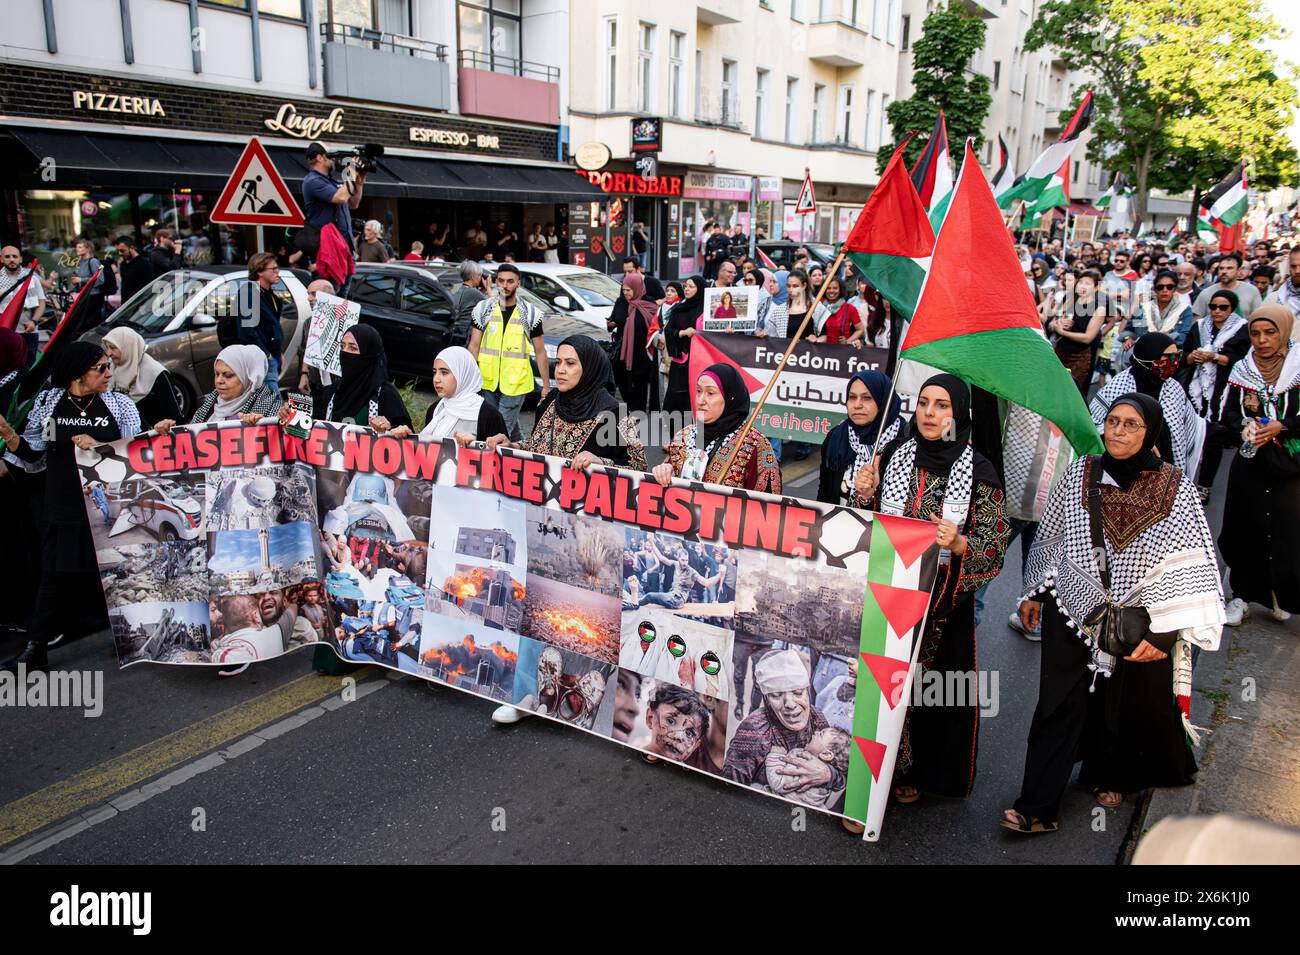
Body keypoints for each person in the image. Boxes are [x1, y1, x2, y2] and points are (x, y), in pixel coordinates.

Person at [1003, 393, 1223, 834]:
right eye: (1113, 422)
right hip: (1074, 605)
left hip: (1139, 620)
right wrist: (1033, 593)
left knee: (1119, 704)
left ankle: (1109, 773)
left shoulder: (1175, 487)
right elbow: (1053, 535)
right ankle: (1037, 806)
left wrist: (1162, 636)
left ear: (1151, 434)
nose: (1118, 432)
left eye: (1131, 425)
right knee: (1057, 704)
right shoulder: (1081, 471)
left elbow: (1192, 563)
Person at [854, 374, 1010, 803]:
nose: (929, 413)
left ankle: (917, 771)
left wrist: (959, 543)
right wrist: (864, 495)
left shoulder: (979, 471)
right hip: (888, 596)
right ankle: (868, 775)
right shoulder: (893, 458)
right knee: (879, 682)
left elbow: (994, 547)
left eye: (942, 406)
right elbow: (864, 530)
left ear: (957, 415)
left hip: (944, 606)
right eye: (924, 403)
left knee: (930, 692)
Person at [486, 335, 645, 726]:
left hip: (590, 536)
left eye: (571, 363)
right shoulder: (550, 403)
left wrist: (603, 460)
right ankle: (528, 693)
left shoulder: (614, 412)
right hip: (544, 524)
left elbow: (639, 471)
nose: (560, 370)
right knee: (536, 605)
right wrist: (511, 444)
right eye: (558, 362)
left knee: (588, 616)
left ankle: (579, 699)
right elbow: (538, 448)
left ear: (589, 368)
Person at [0, 343, 142, 672]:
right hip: (63, 505)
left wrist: (101, 448)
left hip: (108, 507)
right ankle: (35, 650)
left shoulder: (118, 405)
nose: (109, 374)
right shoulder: (49, 404)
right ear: (79, 373)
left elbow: (136, 452)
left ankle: (133, 636)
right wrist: (9, 434)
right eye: (101, 368)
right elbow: (34, 454)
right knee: (51, 575)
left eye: (109, 366)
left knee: (120, 572)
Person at [1218, 303, 1300, 626]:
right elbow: (1227, 413)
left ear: (1284, 332)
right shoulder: (1242, 370)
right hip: (1252, 461)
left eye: (1270, 332)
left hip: (1289, 464)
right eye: (1255, 333)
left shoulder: (1298, 366)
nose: (1262, 340)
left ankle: (1281, 593)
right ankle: (1242, 596)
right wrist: (1245, 428)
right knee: (1246, 527)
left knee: (1287, 529)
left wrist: (1283, 426)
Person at [655, 364, 781, 493]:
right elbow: (668, 476)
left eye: (710, 393)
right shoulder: (683, 436)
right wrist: (665, 471)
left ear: (730, 397)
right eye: (698, 391)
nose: (701, 400)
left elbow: (768, 505)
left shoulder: (754, 445)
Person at [1090, 332, 1203, 473]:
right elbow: (1094, 425)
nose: (1175, 362)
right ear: (1150, 357)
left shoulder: (1173, 387)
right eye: (1170, 357)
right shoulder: (1118, 387)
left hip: (1164, 468)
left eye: (1177, 356)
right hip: (1125, 468)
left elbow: (1188, 427)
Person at [1179, 288, 1250, 500]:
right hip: (1195, 389)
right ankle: (1183, 483)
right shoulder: (1199, 327)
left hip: (1223, 391)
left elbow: (1243, 360)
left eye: (1223, 307)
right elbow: (1184, 356)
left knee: (1213, 438)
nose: (1217, 311)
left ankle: (1204, 486)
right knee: (1187, 436)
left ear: (1232, 308)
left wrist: (1216, 357)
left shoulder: (1241, 329)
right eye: (1213, 307)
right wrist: (1193, 357)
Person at [467, 263, 549, 441]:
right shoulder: (483, 309)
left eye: (510, 281)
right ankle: (521, 449)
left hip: (516, 383)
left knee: (496, 431)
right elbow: (474, 346)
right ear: (496, 282)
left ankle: (492, 466)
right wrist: (468, 380)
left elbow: (540, 351)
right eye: (501, 281)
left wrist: (546, 386)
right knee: (507, 429)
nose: (505, 285)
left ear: (518, 284)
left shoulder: (530, 313)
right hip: (487, 381)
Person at [817, 369, 902, 506]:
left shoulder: (904, 442)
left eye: (867, 398)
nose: (857, 405)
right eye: (852, 397)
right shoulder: (837, 437)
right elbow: (824, 495)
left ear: (884, 401)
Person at [317, 325, 411, 435]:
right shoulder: (333, 390)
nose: (345, 352)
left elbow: (407, 442)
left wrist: (389, 430)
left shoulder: (386, 395)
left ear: (369, 355)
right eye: (342, 346)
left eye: (352, 348)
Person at [418, 345, 506, 444]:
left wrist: (474, 445)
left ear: (462, 374)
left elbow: (500, 455)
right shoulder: (435, 409)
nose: (436, 379)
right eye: (434, 372)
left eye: (444, 372)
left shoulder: (489, 415)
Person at [101, 326, 181, 431]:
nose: (109, 353)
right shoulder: (111, 369)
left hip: (153, 440)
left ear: (127, 347)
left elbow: (174, 417)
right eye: (107, 348)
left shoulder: (156, 373)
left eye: (113, 348)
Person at [228, 252, 286, 393]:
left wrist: (278, 352)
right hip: (261, 359)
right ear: (260, 271)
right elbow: (247, 332)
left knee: (267, 404)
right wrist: (267, 355)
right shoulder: (249, 293)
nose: (277, 272)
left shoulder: (269, 295)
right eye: (273, 269)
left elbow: (271, 326)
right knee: (272, 403)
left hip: (272, 356)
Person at [302, 142, 366, 263]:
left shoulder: (330, 181)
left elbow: (353, 203)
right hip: (329, 250)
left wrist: (359, 182)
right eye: (330, 156)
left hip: (344, 248)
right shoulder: (313, 181)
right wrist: (350, 172)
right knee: (329, 283)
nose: (334, 159)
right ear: (319, 158)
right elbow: (341, 197)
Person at [189, 343, 283, 424]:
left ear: (248, 378)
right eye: (217, 374)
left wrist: (262, 425)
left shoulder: (272, 409)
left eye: (228, 375)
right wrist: (175, 433)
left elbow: (283, 439)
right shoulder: (209, 404)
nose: (219, 381)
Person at [610, 270, 660, 413]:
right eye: (623, 290)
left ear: (637, 288)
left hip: (641, 350)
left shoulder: (648, 303)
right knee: (622, 379)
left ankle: (639, 410)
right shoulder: (620, 302)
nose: (626, 293)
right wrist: (612, 323)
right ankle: (629, 405)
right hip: (623, 349)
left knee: (640, 382)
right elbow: (614, 317)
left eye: (629, 290)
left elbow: (655, 325)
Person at [1051, 270, 1106, 394]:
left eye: (1087, 283)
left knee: (1073, 392)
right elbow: (1054, 320)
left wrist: (1063, 332)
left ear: (1096, 287)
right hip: (1060, 351)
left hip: (1079, 356)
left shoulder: (1099, 308)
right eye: (1080, 282)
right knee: (1054, 388)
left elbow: (1088, 337)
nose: (1082, 286)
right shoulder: (1070, 299)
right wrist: (1058, 324)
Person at [662, 274, 705, 415]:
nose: (687, 289)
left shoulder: (706, 309)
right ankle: (676, 432)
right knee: (677, 398)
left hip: (700, 361)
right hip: (681, 360)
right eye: (686, 286)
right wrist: (682, 333)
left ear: (700, 289)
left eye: (691, 286)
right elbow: (668, 330)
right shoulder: (679, 307)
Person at [0, 246, 46, 359]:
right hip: (4, 333)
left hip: (29, 332)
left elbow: (41, 302)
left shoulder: (32, 278)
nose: (11, 259)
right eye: (7, 256)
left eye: (15, 256)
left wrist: (34, 322)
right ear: (1, 259)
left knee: (29, 368)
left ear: (20, 259)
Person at [1193, 253, 1261, 318]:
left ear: (1239, 270)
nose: (1224, 271)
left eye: (1229, 268)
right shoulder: (1206, 293)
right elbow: (1197, 320)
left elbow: (1257, 317)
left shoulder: (1252, 291)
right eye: (1221, 268)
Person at [813, 277, 864, 346]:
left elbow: (860, 330)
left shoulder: (849, 308)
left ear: (840, 290)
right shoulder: (817, 305)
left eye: (835, 288)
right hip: (818, 351)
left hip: (840, 352)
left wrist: (848, 341)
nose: (831, 291)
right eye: (828, 288)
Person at [113, 235, 154, 303]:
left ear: (132, 248)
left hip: (140, 305)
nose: (120, 253)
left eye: (122, 251)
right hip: (126, 304)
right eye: (118, 251)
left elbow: (150, 286)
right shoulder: (123, 263)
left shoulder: (144, 263)